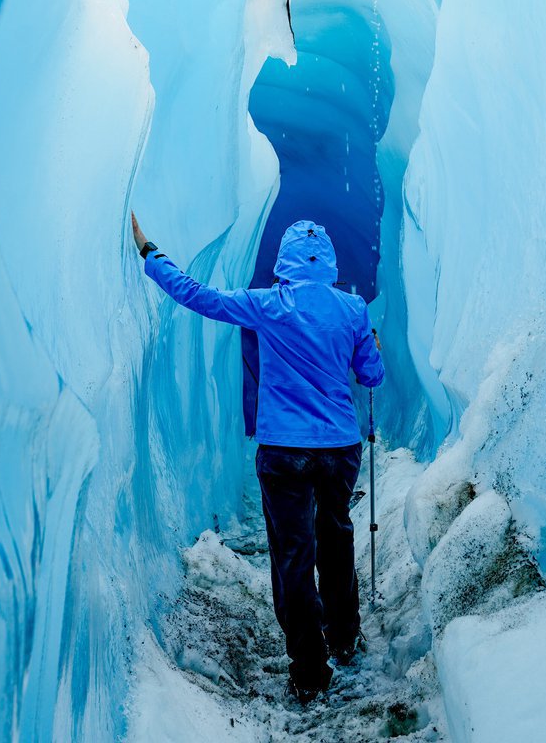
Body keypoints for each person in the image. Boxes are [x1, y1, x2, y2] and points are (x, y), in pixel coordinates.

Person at [131, 212, 386, 702]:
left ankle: (309, 669)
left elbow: (198, 296)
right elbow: (370, 376)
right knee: (337, 537)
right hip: (338, 449)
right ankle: (347, 637)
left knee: (294, 554)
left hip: (284, 450)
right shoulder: (352, 309)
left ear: (285, 260)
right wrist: (369, 346)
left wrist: (150, 253)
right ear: (327, 261)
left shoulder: (268, 304)